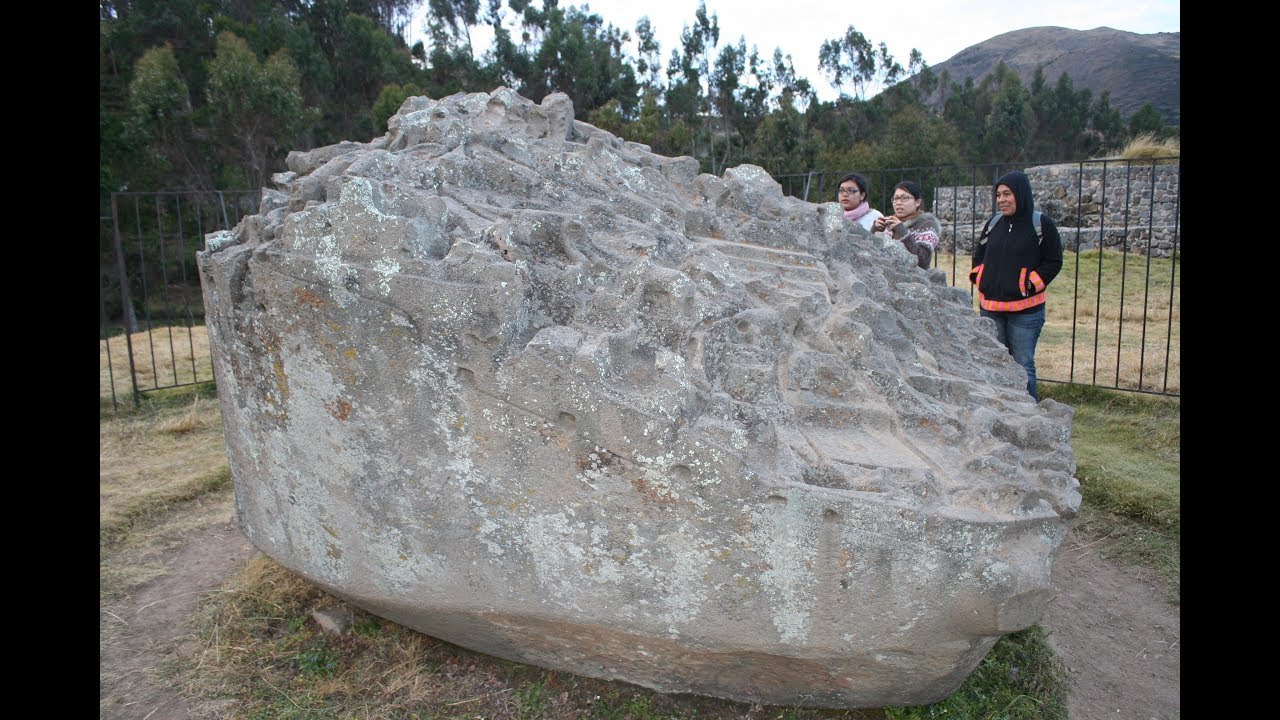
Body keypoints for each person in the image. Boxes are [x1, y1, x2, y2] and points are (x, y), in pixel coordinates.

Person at [968, 170, 1063, 402]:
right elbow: (979, 256)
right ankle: (1000, 409)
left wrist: (1030, 285)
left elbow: (1053, 261)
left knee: (1023, 365)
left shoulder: (1041, 224)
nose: (1001, 199)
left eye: (1007, 194)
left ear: (1021, 194)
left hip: (1026, 313)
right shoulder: (993, 223)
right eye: (998, 195)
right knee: (993, 363)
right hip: (991, 308)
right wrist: (981, 278)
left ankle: (1028, 412)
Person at [871, 180, 941, 269]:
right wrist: (875, 231)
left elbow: (922, 261)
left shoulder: (927, 225)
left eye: (904, 198)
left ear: (917, 202)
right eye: (895, 198)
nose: (898, 202)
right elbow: (869, 252)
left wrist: (901, 230)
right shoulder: (887, 223)